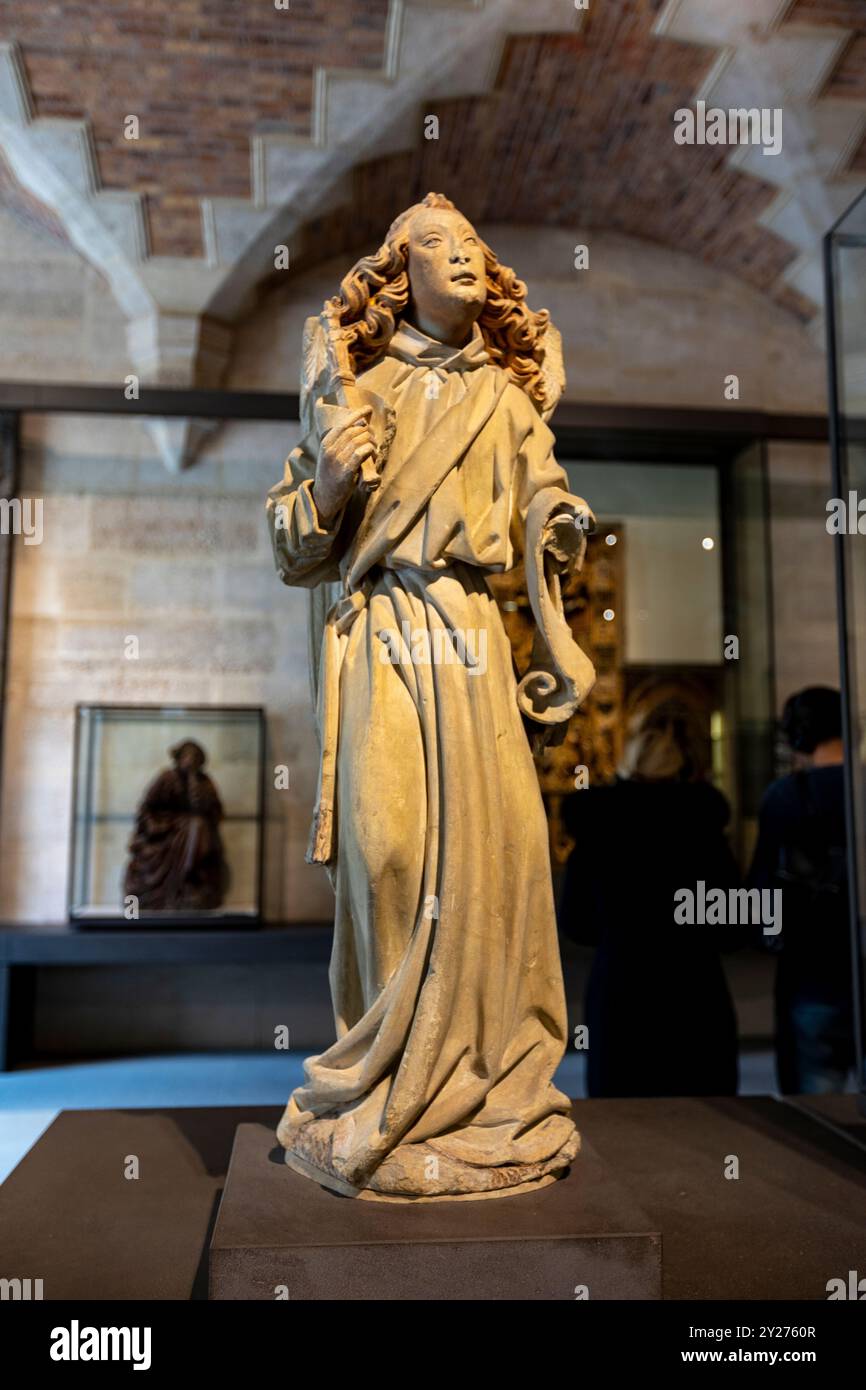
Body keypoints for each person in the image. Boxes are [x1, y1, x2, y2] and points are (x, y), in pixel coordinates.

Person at [266, 193, 597, 1200]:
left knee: (497, 863)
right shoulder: (349, 388)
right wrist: (326, 481)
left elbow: (542, 489)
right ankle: (383, 1081)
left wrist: (556, 522)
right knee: (391, 845)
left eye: (469, 247)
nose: (458, 257)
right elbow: (288, 542)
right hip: (383, 639)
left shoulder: (503, 398)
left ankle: (484, 1091)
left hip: (469, 637)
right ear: (397, 274)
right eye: (433, 246)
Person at [560, 707, 741, 1097]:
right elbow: (733, 923)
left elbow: (577, 923)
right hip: (695, 991)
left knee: (625, 1119)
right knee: (705, 1120)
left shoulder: (598, 829)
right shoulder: (704, 827)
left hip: (621, 990)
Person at [748, 687, 854, 1094]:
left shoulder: (785, 796)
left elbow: (762, 883)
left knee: (815, 1107)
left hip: (812, 965)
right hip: (858, 956)